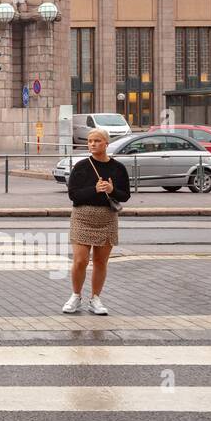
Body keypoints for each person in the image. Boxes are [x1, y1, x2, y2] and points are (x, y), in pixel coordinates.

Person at [63, 128, 128, 316]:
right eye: (90, 141)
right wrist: (95, 189)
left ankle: (95, 299)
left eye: (97, 141)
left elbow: (125, 196)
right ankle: (76, 295)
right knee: (80, 260)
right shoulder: (81, 166)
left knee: (100, 261)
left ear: (106, 144)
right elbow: (73, 194)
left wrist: (112, 190)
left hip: (107, 218)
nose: (92, 144)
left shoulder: (118, 168)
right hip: (82, 217)